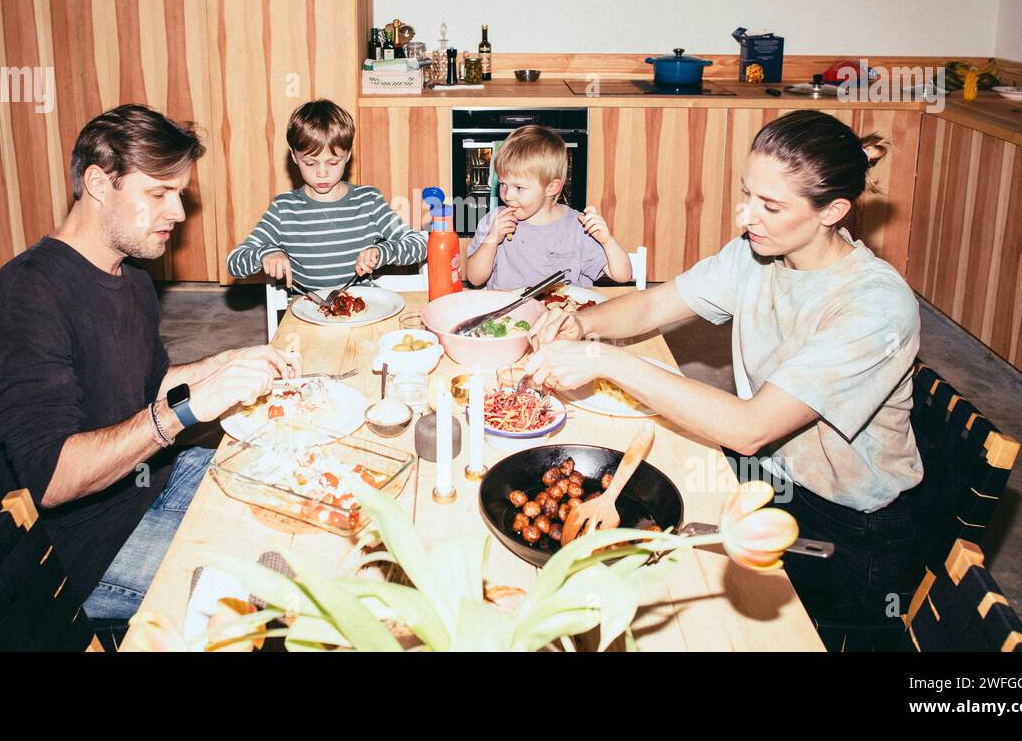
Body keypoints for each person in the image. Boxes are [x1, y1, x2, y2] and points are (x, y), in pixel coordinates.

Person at [525, 110, 922, 650]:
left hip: (847, 528)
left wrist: (606, 361)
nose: (746, 215)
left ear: (833, 210)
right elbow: (655, 306)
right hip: (765, 477)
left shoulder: (874, 306)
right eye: (747, 194)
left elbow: (751, 427)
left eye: (770, 205)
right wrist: (583, 322)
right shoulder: (757, 254)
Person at [0, 104, 301, 621]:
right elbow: (51, 480)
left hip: (145, 488)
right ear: (98, 184)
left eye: (180, 194)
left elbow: (144, 384)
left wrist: (228, 363)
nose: (179, 213)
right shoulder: (23, 305)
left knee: (302, 499)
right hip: (73, 562)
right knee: (283, 606)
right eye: (158, 193)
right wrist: (188, 411)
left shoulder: (130, 277)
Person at [226, 99, 427, 290]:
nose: (322, 172)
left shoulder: (369, 201)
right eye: (310, 163)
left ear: (348, 154)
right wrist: (265, 253)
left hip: (362, 306)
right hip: (306, 311)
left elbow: (419, 245)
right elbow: (234, 262)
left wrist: (382, 252)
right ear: (294, 155)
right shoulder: (283, 209)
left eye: (333, 162)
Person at [465, 124, 632, 289]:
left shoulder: (578, 226)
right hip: (510, 313)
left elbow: (622, 276)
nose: (507, 195)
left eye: (519, 188)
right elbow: (474, 278)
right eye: (502, 184)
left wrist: (607, 241)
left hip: (563, 312)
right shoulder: (494, 221)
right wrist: (492, 240)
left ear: (551, 188)